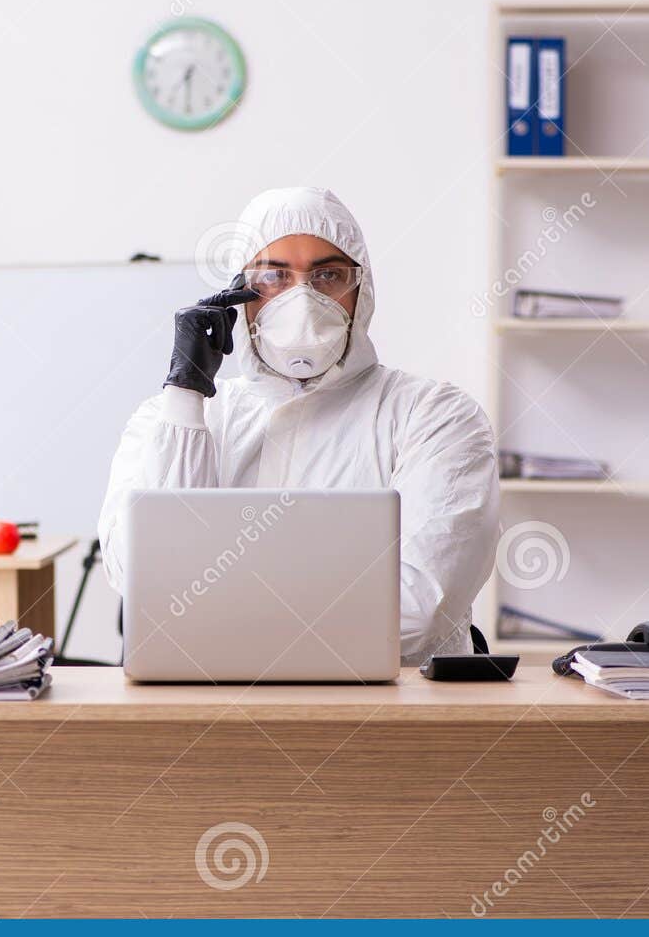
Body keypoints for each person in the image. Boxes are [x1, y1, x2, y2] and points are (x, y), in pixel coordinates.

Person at [98, 186, 500, 665]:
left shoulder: (434, 416)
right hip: (209, 714)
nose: (302, 300)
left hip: (391, 722)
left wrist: (217, 615)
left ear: (361, 289)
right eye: (273, 276)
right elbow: (143, 578)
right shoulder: (172, 417)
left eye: (328, 275)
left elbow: (416, 611)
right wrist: (186, 395)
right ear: (238, 293)